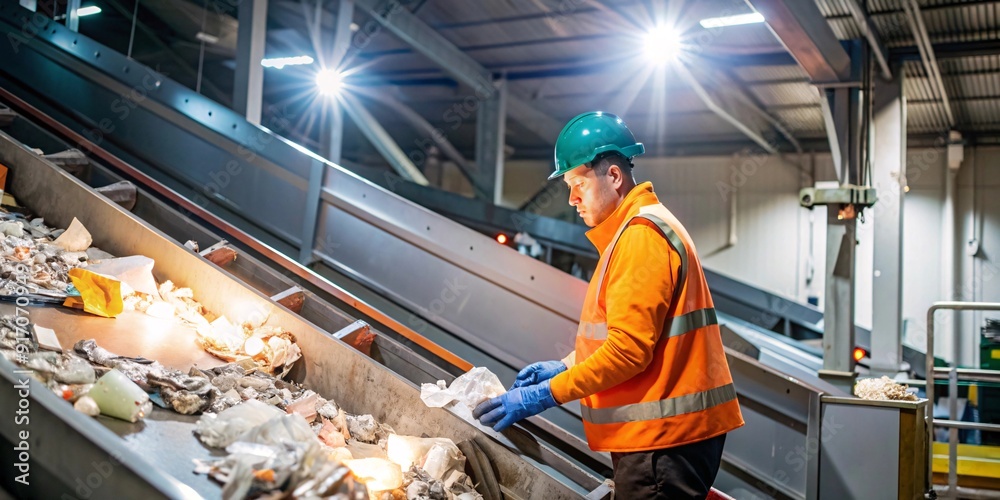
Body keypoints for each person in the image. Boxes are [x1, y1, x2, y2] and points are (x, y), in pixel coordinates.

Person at [473, 111, 745, 499]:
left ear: (614, 176)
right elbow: (628, 334)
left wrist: (546, 393)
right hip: (664, 439)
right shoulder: (637, 229)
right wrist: (565, 365)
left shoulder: (640, 237)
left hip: (663, 441)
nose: (571, 199)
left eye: (577, 183)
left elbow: (628, 351)